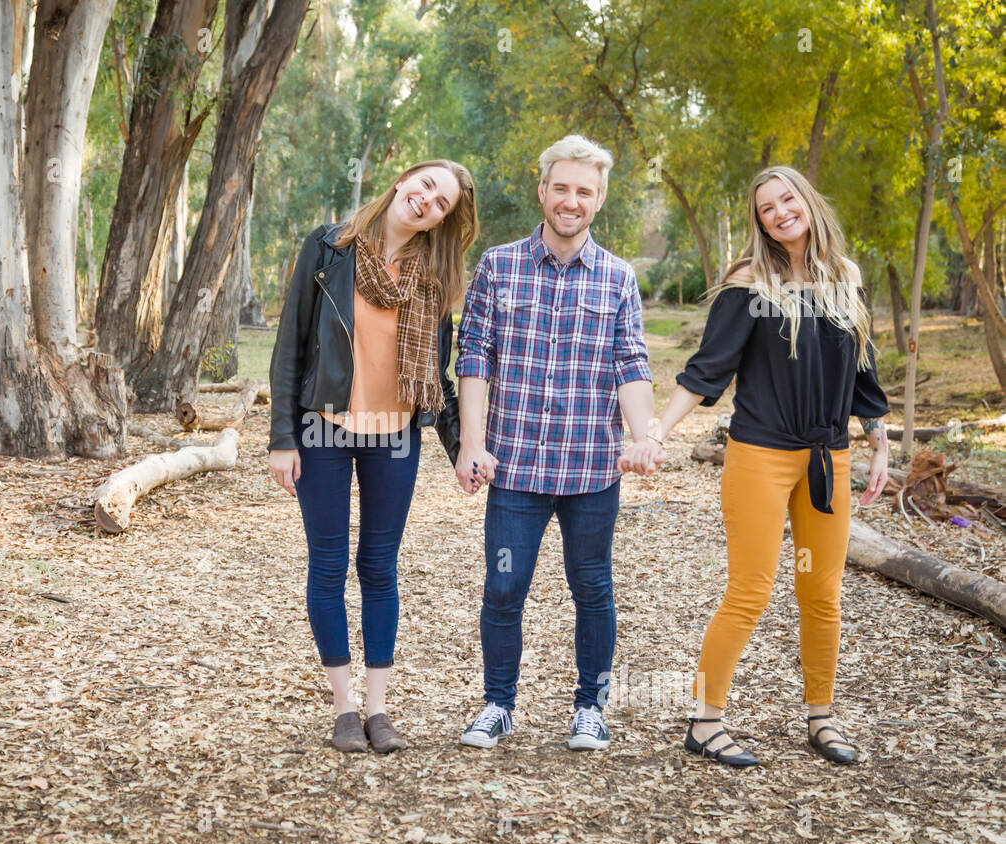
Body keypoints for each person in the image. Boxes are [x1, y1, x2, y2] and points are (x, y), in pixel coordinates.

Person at [650, 165, 889, 767]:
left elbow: (861, 372)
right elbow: (708, 370)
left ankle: (821, 717)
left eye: (788, 200)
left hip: (828, 457)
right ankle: (704, 722)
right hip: (759, 455)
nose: (781, 212)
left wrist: (878, 436)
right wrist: (658, 428)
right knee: (750, 591)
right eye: (766, 208)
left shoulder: (846, 277)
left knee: (823, 593)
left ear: (807, 201)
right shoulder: (748, 282)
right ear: (759, 221)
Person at [454, 134, 661, 751]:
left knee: (592, 587)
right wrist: (471, 443)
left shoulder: (618, 278)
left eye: (585, 191)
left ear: (598, 201)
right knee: (504, 587)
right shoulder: (498, 265)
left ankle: (589, 709)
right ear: (542, 190)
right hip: (513, 466)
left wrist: (644, 435)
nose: (572, 201)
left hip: (592, 469)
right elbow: (475, 356)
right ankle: (498, 704)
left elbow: (631, 364)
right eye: (562, 187)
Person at [268, 160, 478, 753]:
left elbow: (437, 374)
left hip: (396, 435)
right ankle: (344, 709)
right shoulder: (328, 248)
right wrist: (282, 437)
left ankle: (379, 711)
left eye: (442, 204)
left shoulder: (432, 280)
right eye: (426, 187)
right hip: (324, 429)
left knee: (380, 569)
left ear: (443, 220)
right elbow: (291, 343)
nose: (428, 202)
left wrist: (461, 448)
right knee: (328, 566)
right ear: (403, 180)